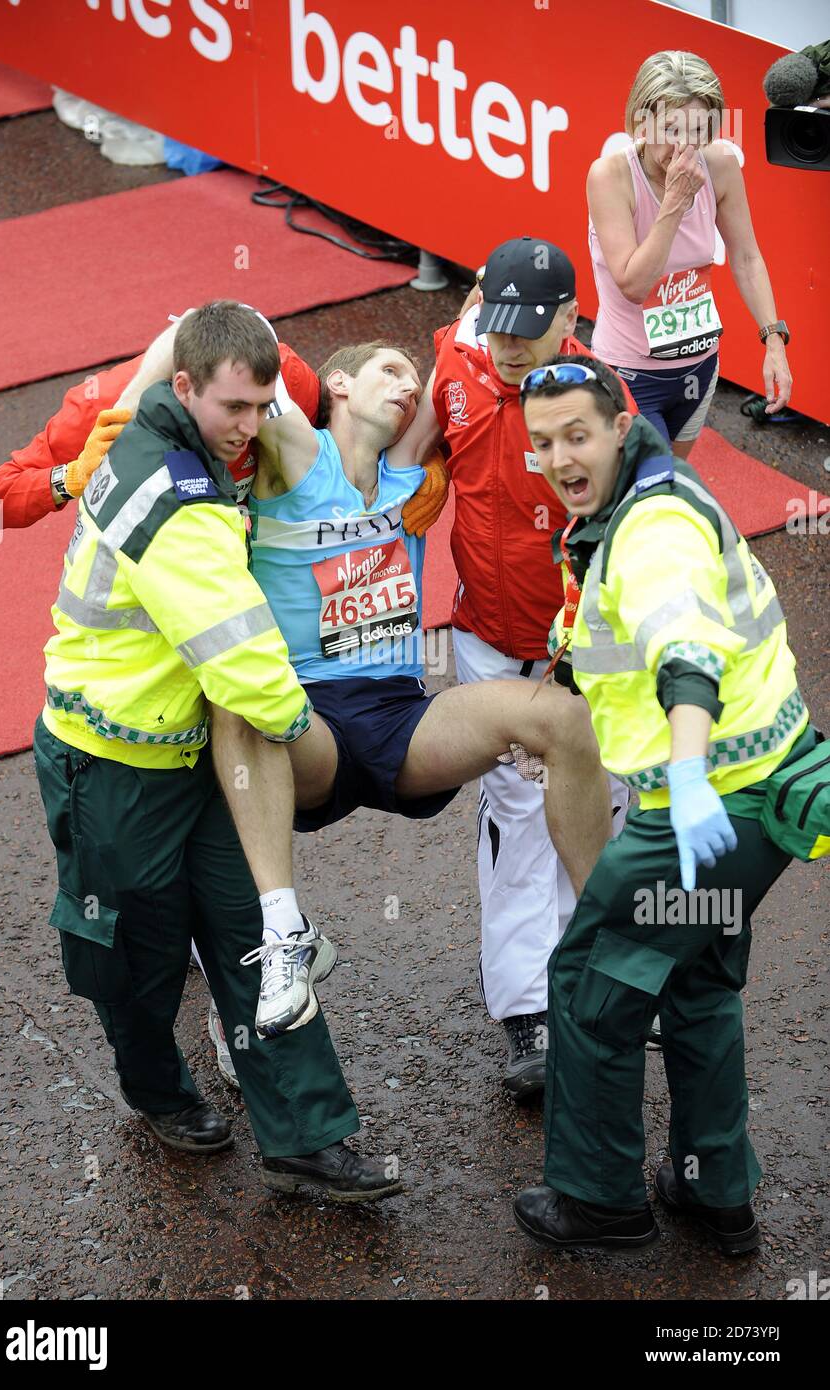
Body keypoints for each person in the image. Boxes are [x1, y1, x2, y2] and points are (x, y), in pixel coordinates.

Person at [33, 301, 402, 1201]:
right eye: (234, 409)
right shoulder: (182, 501)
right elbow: (245, 668)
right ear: (187, 388)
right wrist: (317, 749)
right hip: (111, 765)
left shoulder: (169, 434)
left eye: (264, 407)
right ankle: (158, 1091)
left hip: (185, 748)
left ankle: (307, 1135)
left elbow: (190, 331)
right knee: (134, 957)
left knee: (252, 934)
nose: (252, 429)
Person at [192, 332, 618, 1034]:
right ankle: (279, 939)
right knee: (237, 705)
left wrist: (480, 312)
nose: (407, 385)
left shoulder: (414, 478)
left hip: (401, 719)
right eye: (388, 372)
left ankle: (611, 938)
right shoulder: (291, 455)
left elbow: (463, 355)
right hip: (306, 727)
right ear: (337, 387)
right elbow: (250, 344)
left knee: (563, 720)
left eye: (413, 378)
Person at [511, 356, 820, 1253]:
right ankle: (714, 1191)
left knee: (589, 982)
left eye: (577, 434)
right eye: (543, 442)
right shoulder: (651, 490)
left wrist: (682, 781)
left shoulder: (650, 533)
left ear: (618, 426)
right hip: (762, 797)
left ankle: (599, 1201)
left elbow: (687, 652)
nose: (562, 457)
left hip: (710, 805)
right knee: (693, 980)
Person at [429, 237, 637, 1096]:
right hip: (489, 642)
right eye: (497, 324)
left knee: (609, 809)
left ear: (570, 320)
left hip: (591, 648)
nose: (508, 346)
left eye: (528, 330)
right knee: (517, 819)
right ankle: (529, 1012)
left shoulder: (603, 401)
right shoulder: (454, 360)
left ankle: (615, 981)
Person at [587, 49, 793, 455]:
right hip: (631, 372)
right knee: (648, 494)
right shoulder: (610, 176)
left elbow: (748, 258)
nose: (685, 147)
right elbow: (633, 283)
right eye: (672, 130)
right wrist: (674, 205)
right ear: (642, 121)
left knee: (674, 488)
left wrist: (774, 343)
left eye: (698, 130)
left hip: (699, 369)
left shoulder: (719, 165)